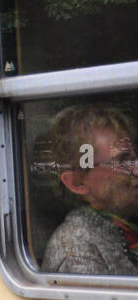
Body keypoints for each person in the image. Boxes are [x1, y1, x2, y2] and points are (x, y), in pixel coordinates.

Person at [41, 105, 138, 275]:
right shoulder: (76, 251)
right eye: (122, 162)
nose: (136, 169)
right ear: (77, 182)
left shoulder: (124, 223)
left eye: (134, 157)